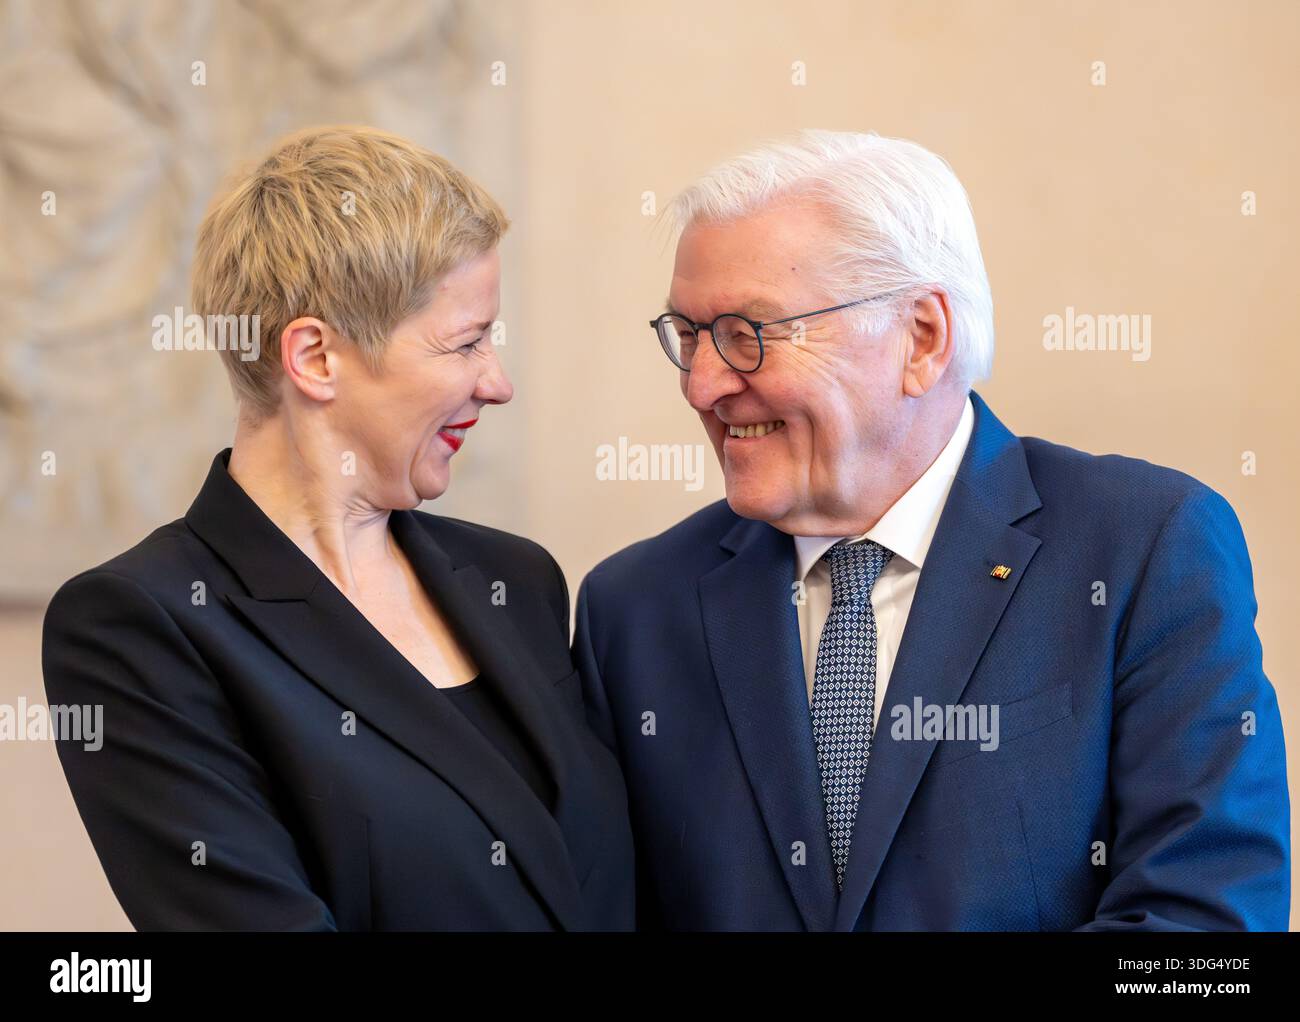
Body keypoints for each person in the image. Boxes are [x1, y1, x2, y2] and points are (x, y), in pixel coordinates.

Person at [574, 129, 1289, 931]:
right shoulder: (630, 610)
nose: (704, 385)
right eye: (691, 336)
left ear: (922, 338)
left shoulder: (1144, 548)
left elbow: (1207, 939)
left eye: (749, 334)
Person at [43, 125, 634, 931]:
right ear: (316, 358)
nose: (497, 383)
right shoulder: (142, 625)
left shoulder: (518, 581)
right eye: (466, 343)